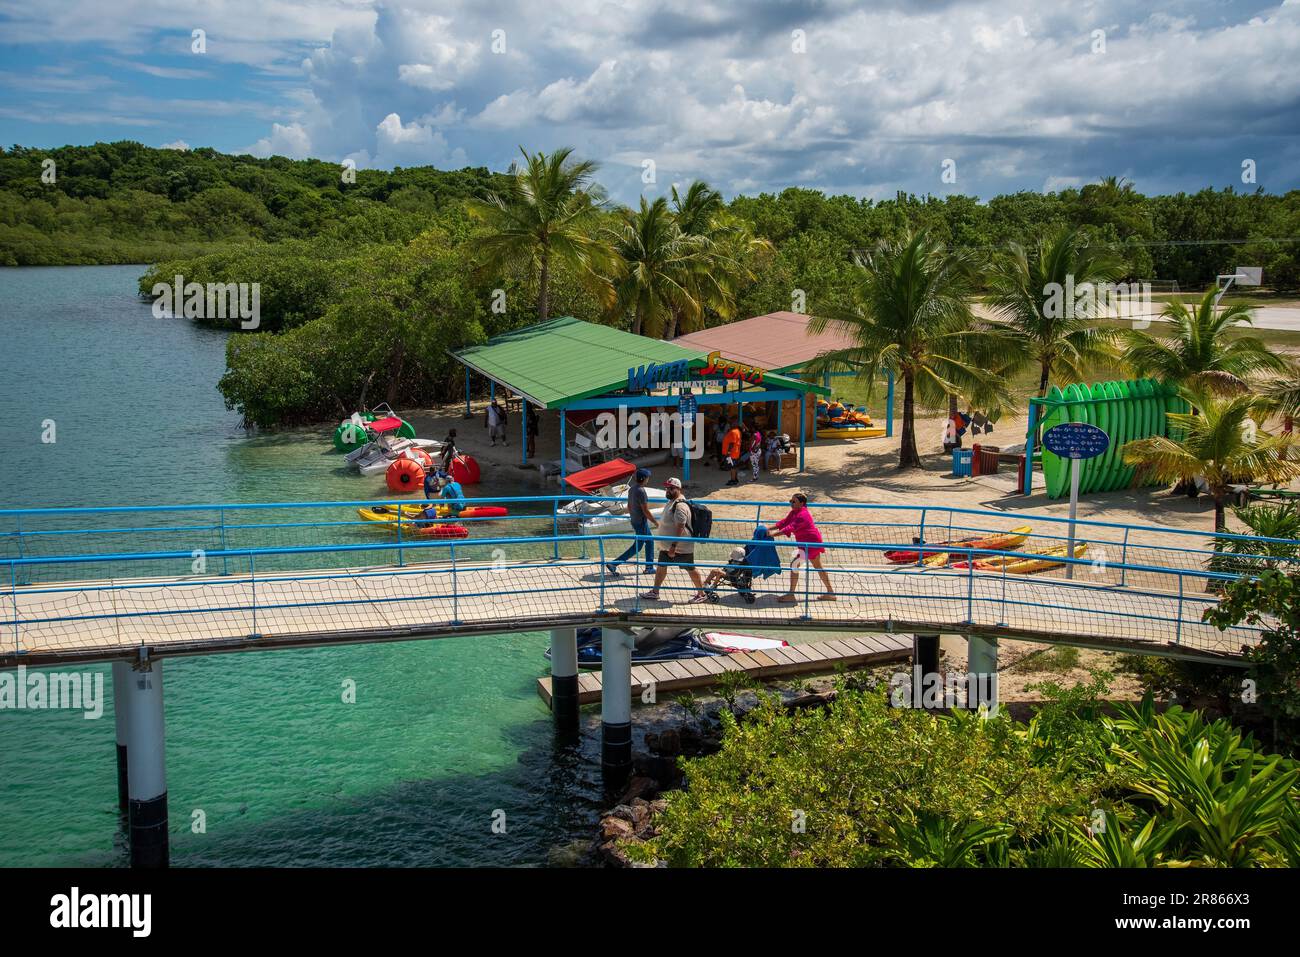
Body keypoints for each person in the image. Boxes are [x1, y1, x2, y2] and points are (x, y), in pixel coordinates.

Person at [639, 477, 707, 603]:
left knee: (691, 568)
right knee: (661, 567)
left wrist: (673, 546)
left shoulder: (680, 505)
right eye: (666, 488)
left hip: (679, 547)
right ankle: (655, 592)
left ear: (678, 489)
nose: (667, 490)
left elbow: (680, 526)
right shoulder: (672, 501)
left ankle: (701, 594)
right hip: (669, 546)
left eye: (671, 488)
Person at [768, 491, 835, 602]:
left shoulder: (803, 514)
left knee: (795, 564)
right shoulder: (794, 512)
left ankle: (791, 594)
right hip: (808, 543)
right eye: (791, 501)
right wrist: (769, 528)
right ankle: (830, 592)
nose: (791, 503)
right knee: (818, 566)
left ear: (802, 503)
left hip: (810, 543)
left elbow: (790, 528)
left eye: (794, 501)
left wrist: (773, 534)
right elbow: (784, 522)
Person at [605, 467, 658, 578]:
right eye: (647, 477)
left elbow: (629, 506)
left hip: (635, 521)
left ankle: (649, 566)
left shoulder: (632, 489)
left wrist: (634, 517)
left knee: (648, 542)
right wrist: (656, 522)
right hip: (641, 522)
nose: (648, 479)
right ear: (643, 479)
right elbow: (646, 510)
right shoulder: (641, 491)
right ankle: (614, 563)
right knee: (638, 546)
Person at [721, 419, 742, 486]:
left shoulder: (733, 432)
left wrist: (729, 452)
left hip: (732, 453)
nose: (730, 424)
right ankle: (735, 479)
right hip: (735, 452)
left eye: (732, 423)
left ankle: (733, 480)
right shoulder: (737, 431)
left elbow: (732, 443)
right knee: (734, 466)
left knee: (732, 467)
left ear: (735, 424)